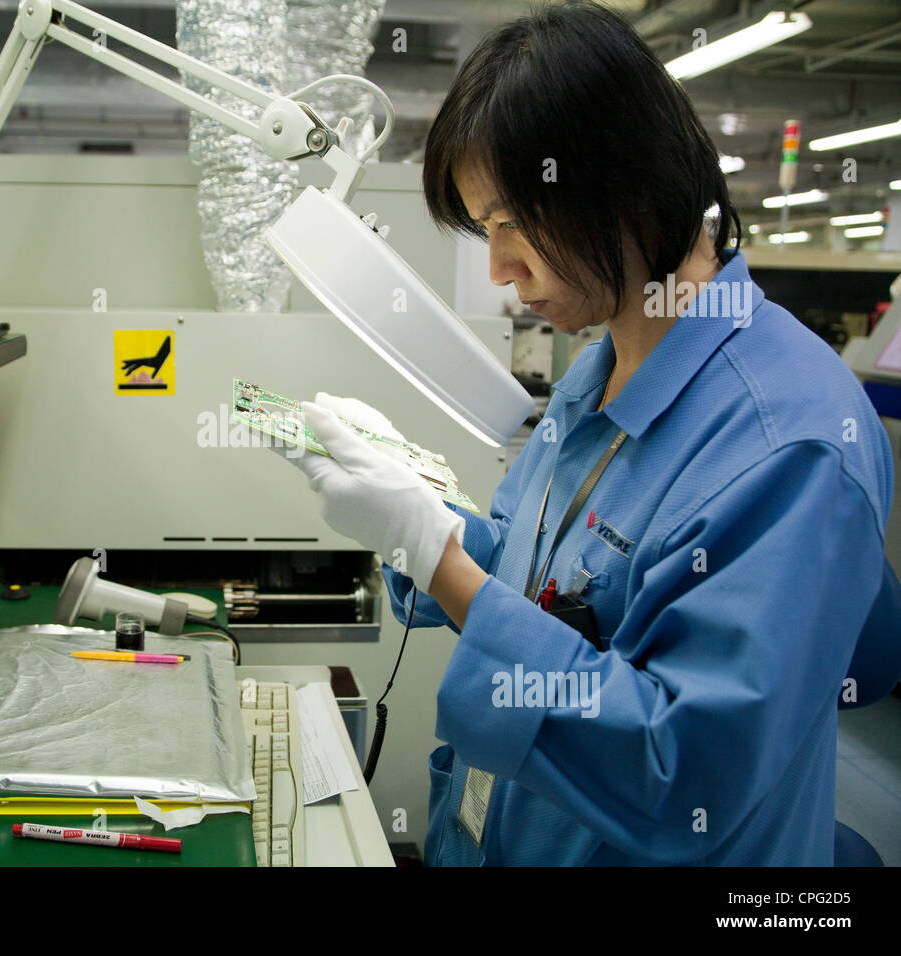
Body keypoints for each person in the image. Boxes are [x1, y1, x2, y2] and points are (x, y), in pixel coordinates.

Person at [277, 0, 898, 865]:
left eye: (509, 224)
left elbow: (682, 769)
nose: (498, 268)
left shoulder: (788, 445)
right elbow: (558, 592)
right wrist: (426, 515)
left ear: (627, 185)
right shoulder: (597, 370)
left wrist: (443, 562)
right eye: (484, 229)